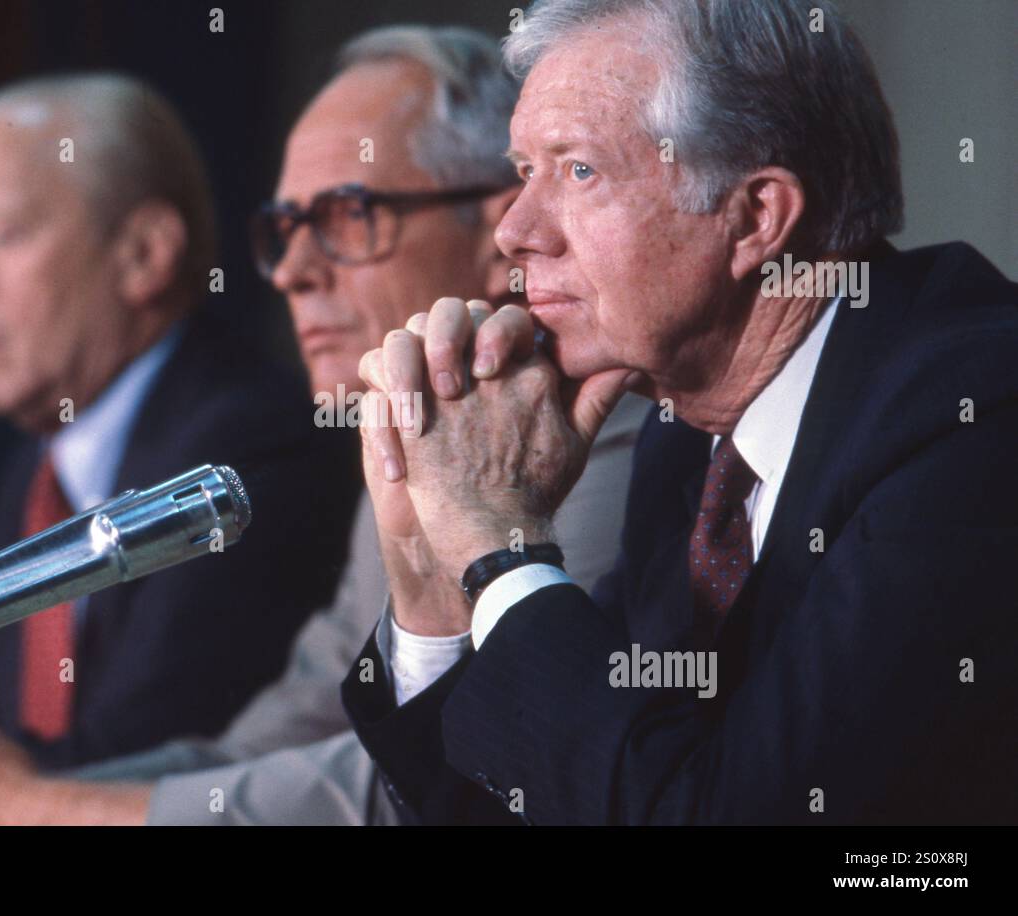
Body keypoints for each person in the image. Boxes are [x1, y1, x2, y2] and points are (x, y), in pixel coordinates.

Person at [0, 26, 646, 825]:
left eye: (349, 214)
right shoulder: (409, 447)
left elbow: (410, 788)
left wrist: (36, 808)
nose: (295, 270)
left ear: (497, 233)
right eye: (286, 228)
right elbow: (270, 748)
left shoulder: (588, 427)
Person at [344, 0, 1018, 824]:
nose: (515, 232)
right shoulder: (686, 442)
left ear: (756, 217)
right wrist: (432, 577)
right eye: (525, 172)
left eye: (579, 170)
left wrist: (496, 547)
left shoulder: (977, 414)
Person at [0, 73, 360, 826]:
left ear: (143, 253)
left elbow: (119, 767)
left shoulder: (246, 453)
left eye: (1, 237)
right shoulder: (39, 474)